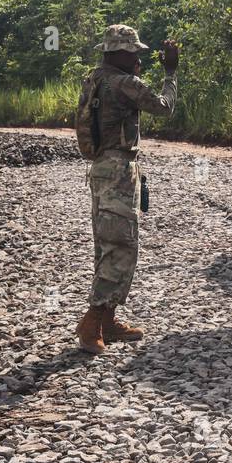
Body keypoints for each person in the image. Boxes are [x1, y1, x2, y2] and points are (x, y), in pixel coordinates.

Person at [75, 24, 178, 354]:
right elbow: (163, 106)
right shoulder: (125, 83)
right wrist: (170, 72)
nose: (137, 58)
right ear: (117, 52)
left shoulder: (95, 79)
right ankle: (91, 323)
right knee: (121, 246)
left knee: (106, 245)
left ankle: (108, 322)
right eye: (132, 52)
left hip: (100, 167)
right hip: (119, 170)